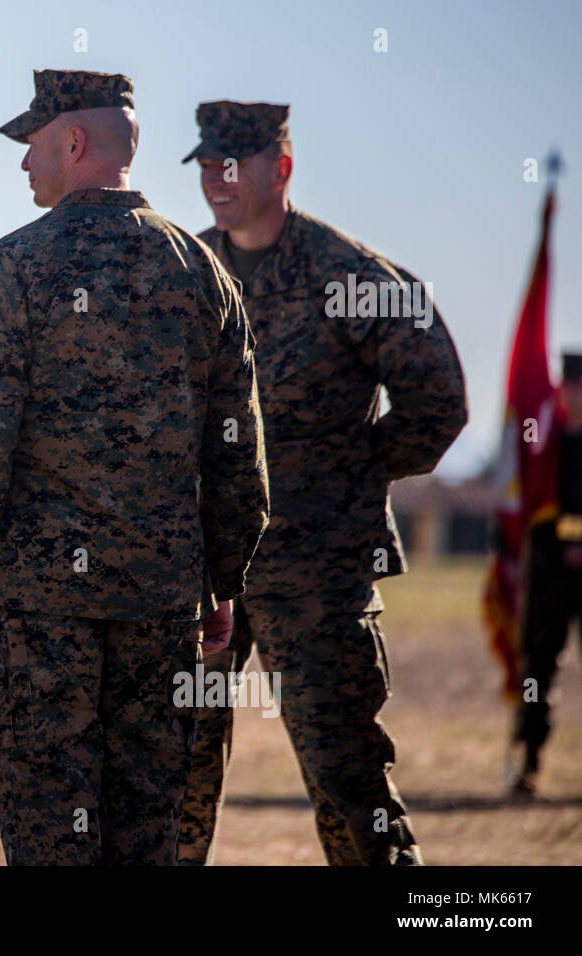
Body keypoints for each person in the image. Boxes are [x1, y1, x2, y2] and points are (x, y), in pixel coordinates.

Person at [0, 69, 269, 865]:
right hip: (161, 608)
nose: (23, 165)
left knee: (51, 838)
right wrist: (222, 578)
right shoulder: (201, 272)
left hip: (40, 614)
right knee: (144, 839)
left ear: (74, 142)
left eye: (32, 146)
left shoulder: (14, 267)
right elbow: (237, 452)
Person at [176, 101, 468, 865]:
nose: (218, 179)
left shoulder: (352, 277)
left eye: (234, 163)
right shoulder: (187, 273)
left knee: (348, 786)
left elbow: (438, 403)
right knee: (171, 782)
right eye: (208, 164)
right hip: (204, 578)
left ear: (282, 168)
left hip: (319, 577)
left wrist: (347, 471)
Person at [507, 352, 582, 797]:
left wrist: (574, 535)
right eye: (569, 387)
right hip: (550, 578)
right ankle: (530, 758)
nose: (574, 396)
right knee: (537, 671)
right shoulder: (547, 443)